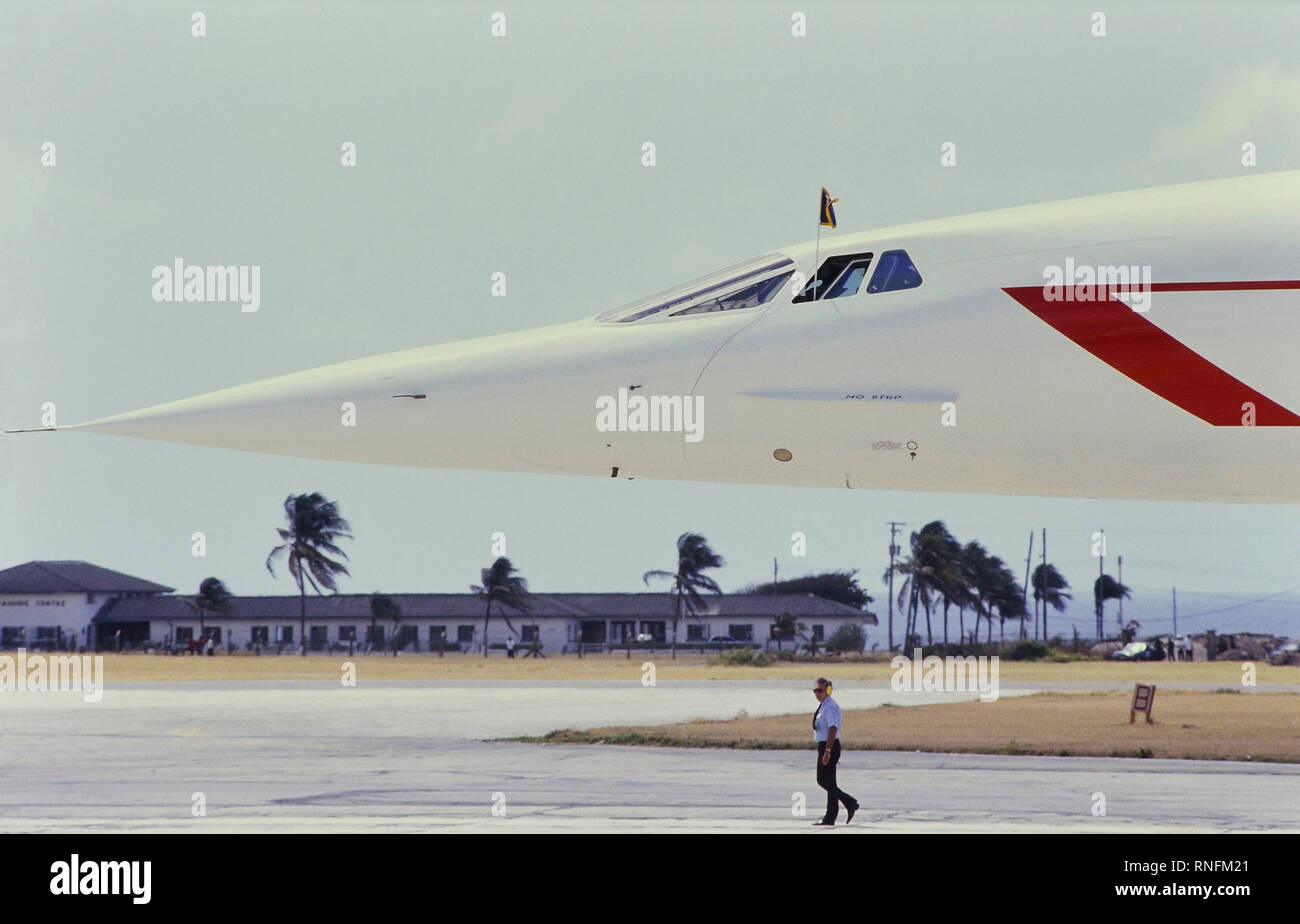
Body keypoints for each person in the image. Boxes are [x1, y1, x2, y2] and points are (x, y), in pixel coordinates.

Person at [811, 677, 858, 827]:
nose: (817, 693)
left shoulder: (830, 706)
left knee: (822, 780)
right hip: (825, 745)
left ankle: (850, 802)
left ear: (828, 690)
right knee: (830, 782)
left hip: (829, 746)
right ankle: (830, 817)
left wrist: (828, 751)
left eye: (820, 690)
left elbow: (832, 728)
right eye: (815, 690)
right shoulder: (824, 705)